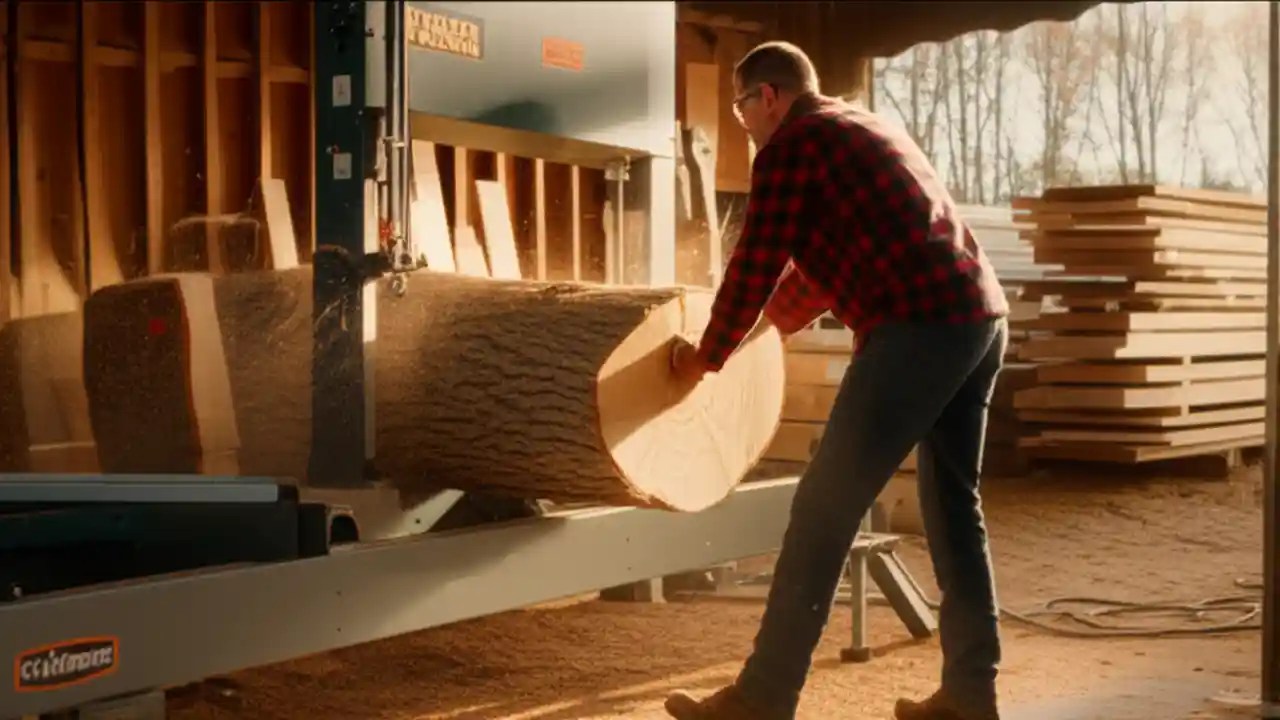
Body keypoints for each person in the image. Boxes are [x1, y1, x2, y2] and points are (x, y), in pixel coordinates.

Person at [666, 41, 1011, 720]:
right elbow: (819, 271)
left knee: (823, 506)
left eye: (742, 107)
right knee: (952, 511)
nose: (743, 124)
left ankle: (763, 698)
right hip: (978, 318)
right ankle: (972, 694)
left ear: (768, 96)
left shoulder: (793, 145)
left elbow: (756, 261)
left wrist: (704, 356)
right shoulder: (863, 126)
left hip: (918, 325)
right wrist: (756, 335)